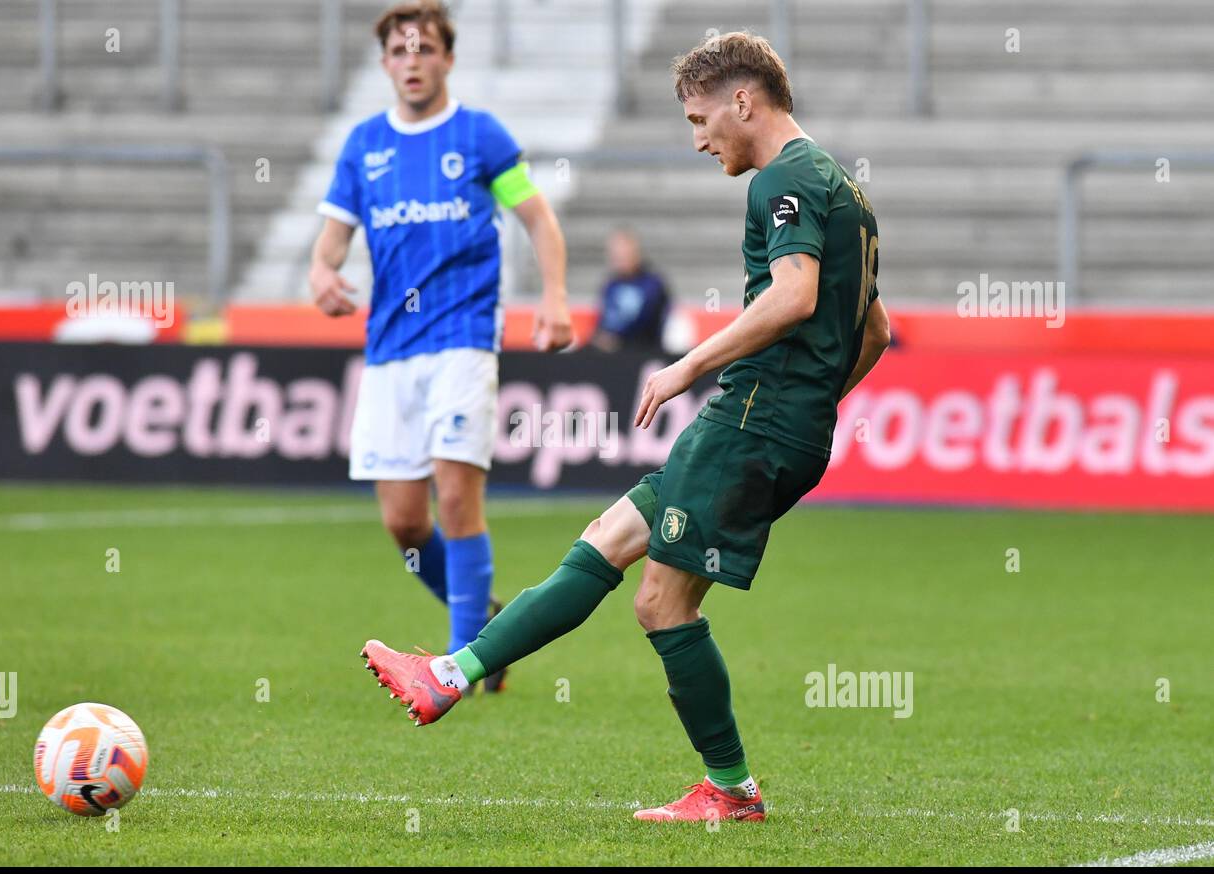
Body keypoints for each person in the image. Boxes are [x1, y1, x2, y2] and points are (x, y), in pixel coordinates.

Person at [361, 30, 891, 821]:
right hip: (775, 423)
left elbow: (795, 296)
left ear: (743, 100)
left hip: (753, 418)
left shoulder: (780, 179)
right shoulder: (844, 189)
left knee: (662, 604)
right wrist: (815, 403)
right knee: (608, 537)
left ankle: (732, 790)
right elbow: (873, 331)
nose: (698, 139)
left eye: (699, 118)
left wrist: (687, 365)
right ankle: (450, 675)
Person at [310, 1, 573, 691]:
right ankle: (488, 628)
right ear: (385, 64)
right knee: (404, 524)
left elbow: (539, 221)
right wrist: (322, 275)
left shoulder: (479, 136)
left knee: (457, 501)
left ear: (448, 58)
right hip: (391, 349)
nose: (412, 61)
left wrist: (553, 299)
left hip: (463, 338)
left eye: (424, 48)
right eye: (399, 51)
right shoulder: (363, 147)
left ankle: (459, 663)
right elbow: (330, 244)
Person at [592, 228, 671, 352]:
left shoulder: (653, 284)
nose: (619, 259)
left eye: (623, 253)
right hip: (607, 348)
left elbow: (646, 320)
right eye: (615, 254)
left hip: (639, 349)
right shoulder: (611, 285)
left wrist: (615, 338)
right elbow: (603, 320)